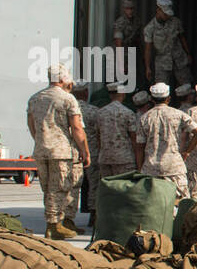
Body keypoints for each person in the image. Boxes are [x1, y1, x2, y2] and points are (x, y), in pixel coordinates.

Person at [27, 63, 90, 240]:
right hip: (61, 151)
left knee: (48, 189)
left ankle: (56, 223)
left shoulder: (35, 98)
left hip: (41, 149)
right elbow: (77, 128)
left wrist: (40, 141)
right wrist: (85, 151)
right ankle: (53, 226)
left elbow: (31, 124)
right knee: (60, 188)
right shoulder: (67, 99)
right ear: (63, 79)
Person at [135, 82, 197, 198]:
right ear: (169, 98)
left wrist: (140, 169)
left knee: (153, 204)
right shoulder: (179, 114)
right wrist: (187, 151)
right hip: (174, 167)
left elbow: (139, 147)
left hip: (151, 169)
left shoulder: (144, 118)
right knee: (179, 203)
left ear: (152, 99)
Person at [97, 83, 139, 195]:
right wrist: (138, 160)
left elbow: (98, 136)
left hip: (105, 157)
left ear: (110, 95)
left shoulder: (100, 113)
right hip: (124, 158)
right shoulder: (128, 113)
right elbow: (134, 138)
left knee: (108, 190)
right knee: (125, 190)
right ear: (123, 94)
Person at [142, 0, 193, 90]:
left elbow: (182, 38)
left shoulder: (176, 22)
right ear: (158, 10)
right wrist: (147, 67)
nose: (167, 16)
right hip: (162, 62)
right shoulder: (149, 28)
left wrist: (188, 54)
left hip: (179, 58)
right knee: (161, 90)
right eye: (165, 14)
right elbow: (148, 49)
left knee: (186, 87)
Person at [72, 80, 99, 230]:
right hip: (92, 152)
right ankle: (93, 216)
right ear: (86, 93)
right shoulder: (94, 111)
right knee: (94, 185)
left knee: (70, 185)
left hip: (72, 153)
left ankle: (67, 218)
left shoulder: (67, 109)